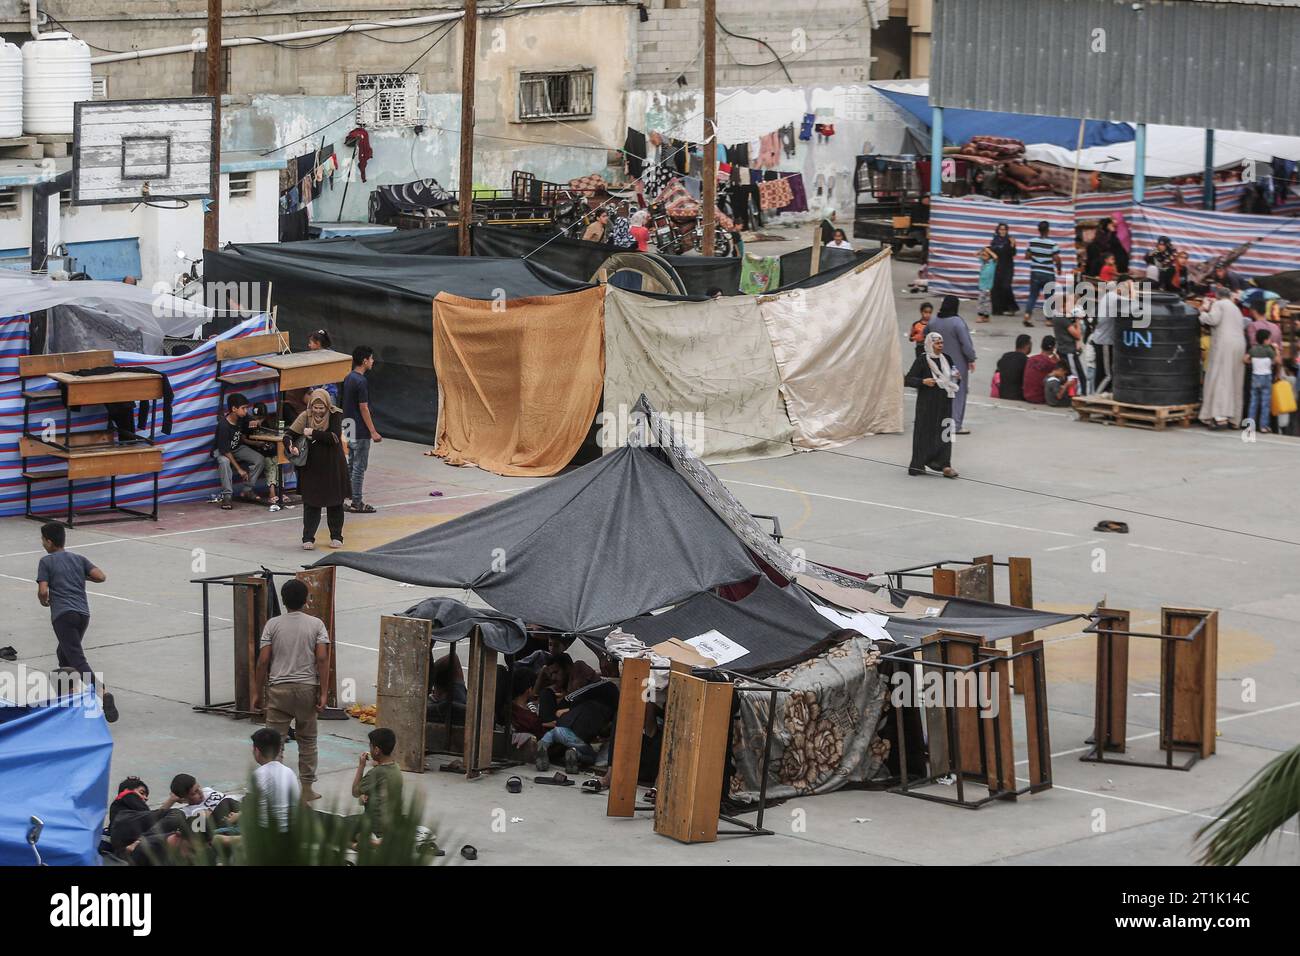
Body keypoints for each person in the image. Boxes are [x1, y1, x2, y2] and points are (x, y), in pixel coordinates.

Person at [252, 578, 331, 802]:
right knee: (308, 740)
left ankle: (276, 789)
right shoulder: (316, 624)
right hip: (307, 689)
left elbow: (263, 661)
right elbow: (323, 658)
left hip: (279, 690)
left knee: (274, 741)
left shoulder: (272, 624)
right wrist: (324, 693)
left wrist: (258, 692)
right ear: (306, 600)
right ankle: (306, 788)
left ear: (284, 601)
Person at [37, 523, 116, 722]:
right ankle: (70, 697)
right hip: (83, 615)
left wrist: (43, 600)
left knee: (77, 658)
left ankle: (104, 693)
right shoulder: (78, 559)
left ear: (48, 541)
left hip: (63, 615)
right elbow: (101, 576)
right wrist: (78, 576)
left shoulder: (46, 562)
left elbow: (43, 590)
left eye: (43, 539)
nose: (42, 543)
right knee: (63, 653)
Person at [286, 388, 350, 550]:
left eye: (322, 408)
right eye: (315, 407)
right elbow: (289, 435)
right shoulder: (305, 416)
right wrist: (291, 446)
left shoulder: (335, 414)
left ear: (328, 406)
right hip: (312, 466)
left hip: (333, 465)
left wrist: (312, 432)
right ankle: (308, 538)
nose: (318, 411)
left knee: (335, 502)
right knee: (311, 503)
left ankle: (337, 536)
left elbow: (334, 437)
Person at [903, 331, 959, 479]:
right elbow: (908, 380)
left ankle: (945, 464)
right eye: (937, 343)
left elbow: (953, 378)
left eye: (941, 343)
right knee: (924, 433)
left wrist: (957, 378)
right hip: (927, 404)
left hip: (945, 402)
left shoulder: (947, 358)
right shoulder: (923, 360)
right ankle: (919, 464)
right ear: (930, 344)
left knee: (945, 433)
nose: (940, 345)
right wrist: (923, 382)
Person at [925, 296, 977, 433]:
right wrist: (971, 358)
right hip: (956, 366)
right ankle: (955, 426)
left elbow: (925, 336)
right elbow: (966, 345)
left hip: (937, 364)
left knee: (939, 393)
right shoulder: (957, 323)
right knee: (957, 394)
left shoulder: (933, 321)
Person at [1198, 287, 1246, 429]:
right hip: (1239, 344)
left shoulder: (1220, 304)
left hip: (1225, 344)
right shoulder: (1235, 307)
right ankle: (1235, 419)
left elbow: (1213, 320)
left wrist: (1202, 312)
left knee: (1221, 378)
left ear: (1218, 296)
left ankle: (1220, 417)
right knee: (1235, 380)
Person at [341, 346, 381, 514]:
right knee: (359, 466)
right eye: (371, 359)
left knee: (351, 464)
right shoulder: (361, 381)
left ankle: (348, 498)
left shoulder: (348, 377)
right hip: (359, 429)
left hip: (348, 425)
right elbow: (363, 407)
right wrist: (373, 431)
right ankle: (356, 501)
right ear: (364, 361)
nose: (372, 362)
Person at [214, 392, 266, 510]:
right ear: (233, 409)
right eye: (243, 408)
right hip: (224, 452)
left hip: (237, 448)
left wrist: (258, 422)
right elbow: (225, 451)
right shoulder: (223, 425)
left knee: (259, 459)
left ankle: (247, 490)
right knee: (224, 462)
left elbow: (253, 422)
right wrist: (239, 469)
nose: (246, 411)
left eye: (246, 408)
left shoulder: (242, 417)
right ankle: (227, 496)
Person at [352, 727, 404, 840]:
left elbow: (355, 791)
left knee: (337, 827)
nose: (369, 750)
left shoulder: (376, 773)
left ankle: (367, 842)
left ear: (376, 750)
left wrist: (361, 766)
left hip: (375, 828)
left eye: (370, 747)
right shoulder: (396, 767)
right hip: (391, 826)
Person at [241, 401, 288, 513]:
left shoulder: (268, 423)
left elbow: (274, 436)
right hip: (259, 452)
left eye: (261, 418)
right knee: (270, 465)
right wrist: (256, 443)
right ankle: (272, 493)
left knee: (278, 462)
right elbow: (244, 439)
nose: (259, 421)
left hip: (271, 451)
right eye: (257, 418)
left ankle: (281, 492)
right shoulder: (249, 423)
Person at [251, 727, 300, 830]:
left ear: (257, 751)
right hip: (291, 832)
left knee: (219, 836)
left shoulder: (257, 775)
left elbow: (250, 812)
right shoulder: (290, 773)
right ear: (278, 750)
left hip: (265, 834)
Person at [1023, 220, 1062, 327]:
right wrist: (1059, 268)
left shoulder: (1032, 242)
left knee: (1033, 295)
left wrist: (1036, 257)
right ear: (1048, 230)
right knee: (1049, 297)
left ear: (1038, 230)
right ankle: (1049, 320)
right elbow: (1056, 258)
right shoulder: (1052, 244)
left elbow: (1026, 256)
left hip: (1035, 272)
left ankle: (1027, 315)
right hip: (1048, 273)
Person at [1243, 328, 1277, 433]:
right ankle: (1263, 426)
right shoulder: (1269, 350)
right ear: (1266, 340)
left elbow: (1245, 359)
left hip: (1255, 377)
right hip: (1266, 377)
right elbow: (1276, 361)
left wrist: (1251, 363)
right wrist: (1276, 350)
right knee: (1265, 403)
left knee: (1253, 402)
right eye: (1269, 339)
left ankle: (1250, 426)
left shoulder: (1253, 349)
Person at [1051, 300, 1087, 395]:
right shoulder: (1063, 319)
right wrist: (1078, 321)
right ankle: (1079, 394)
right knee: (1077, 375)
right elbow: (1078, 335)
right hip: (1068, 351)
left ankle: (1073, 393)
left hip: (1063, 349)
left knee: (1070, 374)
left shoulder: (1057, 317)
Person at [986, 223, 1018, 315]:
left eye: (1004, 229)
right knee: (995, 288)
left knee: (1006, 287)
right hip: (997, 267)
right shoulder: (995, 240)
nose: (1002, 231)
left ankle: (1012, 308)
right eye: (1001, 229)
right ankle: (997, 310)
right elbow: (991, 250)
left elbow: (1013, 253)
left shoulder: (1010, 239)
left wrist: (1012, 244)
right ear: (998, 230)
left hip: (1008, 267)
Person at [996, 334, 1033, 401]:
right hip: (1018, 396)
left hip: (1003, 394)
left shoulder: (1005, 356)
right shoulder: (1026, 360)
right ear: (1027, 346)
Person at [1023, 335, 1058, 405]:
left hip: (1027, 395)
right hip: (1040, 398)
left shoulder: (1030, 359)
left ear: (1041, 346)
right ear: (1053, 348)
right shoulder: (1051, 363)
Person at [975, 248, 995, 322]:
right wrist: (982, 250)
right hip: (982, 286)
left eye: (985, 255)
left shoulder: (992, 262)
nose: (983, 256)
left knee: (985, 302)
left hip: (988, 286)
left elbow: (996, 257)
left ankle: (982, 316)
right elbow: (975, 254)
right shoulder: (983, 262)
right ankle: (985, 316)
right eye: (982, 255)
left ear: (989, 256)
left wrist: (989, 251)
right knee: (982, 301)